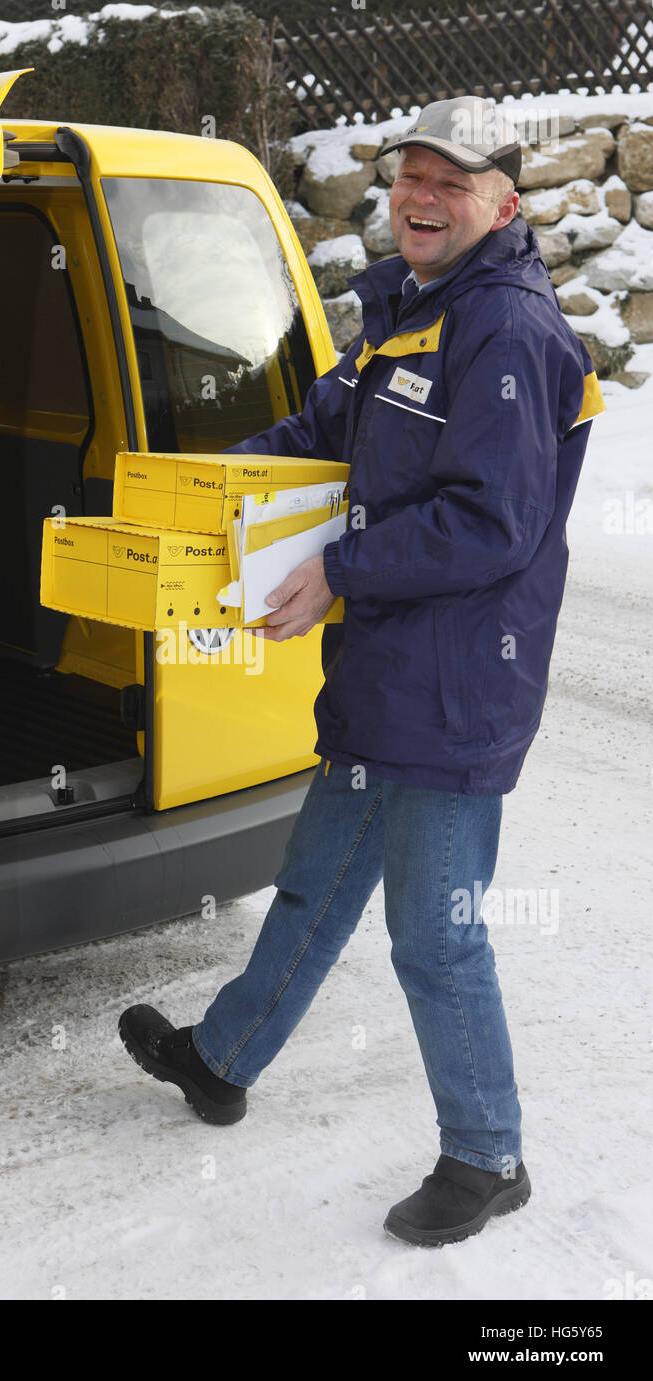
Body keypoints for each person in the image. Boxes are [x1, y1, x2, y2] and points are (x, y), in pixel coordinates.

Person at [119, 96, 604, 1247]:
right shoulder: (411, 312)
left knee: (434, 932)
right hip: (386, 670)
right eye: (410, 177)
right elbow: (318, 433)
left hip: (455, 690)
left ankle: (486, 1154)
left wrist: (338, 568)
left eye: (452, 182)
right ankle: (222, 1059)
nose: (421, 199)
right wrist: (205, 491)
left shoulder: (507, 334)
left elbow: (490, 523)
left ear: (504, 203)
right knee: (318, 880)